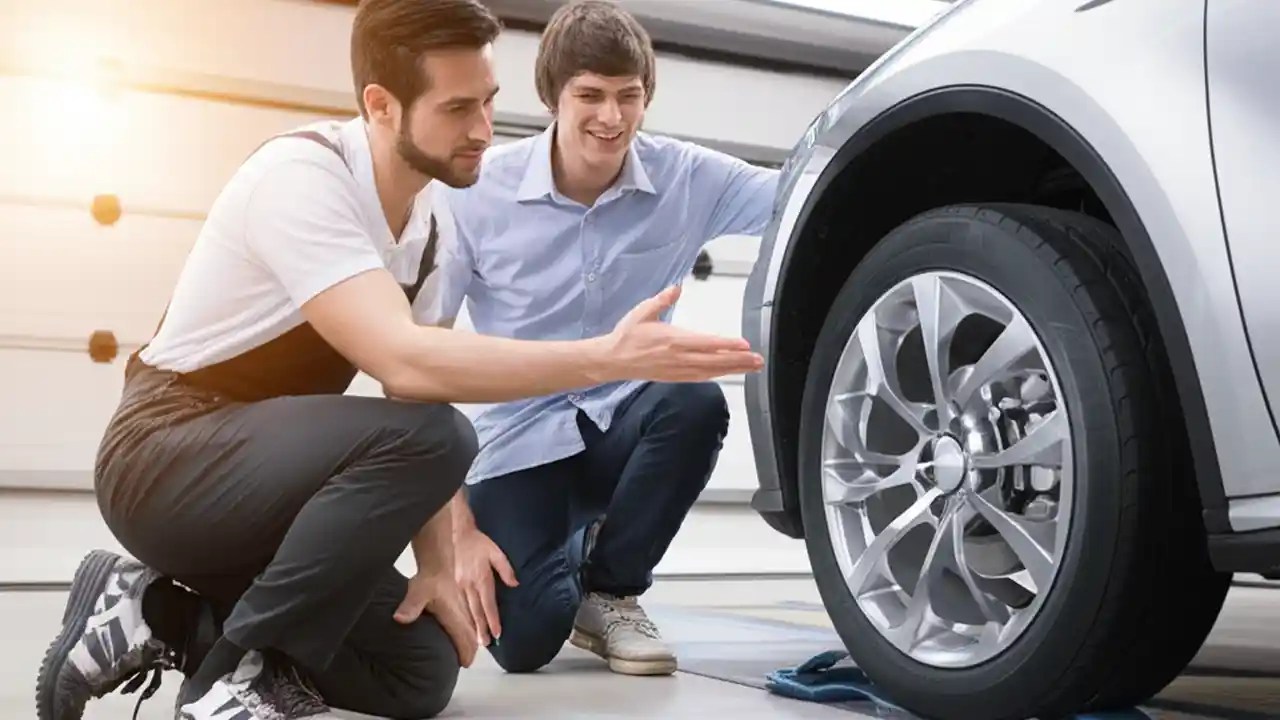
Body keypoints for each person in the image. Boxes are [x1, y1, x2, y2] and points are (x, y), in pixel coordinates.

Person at [33, 1, 763, 719]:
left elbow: (413, 398)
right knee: (439, 437)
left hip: (275, 498)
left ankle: (153, 613)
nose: (484, 131)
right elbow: (409, 369)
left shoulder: (432, 223)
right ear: (381, 106)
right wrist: (605, 358)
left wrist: (440, 562)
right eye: (457, 110)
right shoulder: (302, 178)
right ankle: (239, 681)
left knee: (419, 670)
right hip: (166, 459)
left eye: (488, 102)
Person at [436, 0, 781, 678]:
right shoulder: (474, 194)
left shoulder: (686, 177)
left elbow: (803, 196)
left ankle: (612, 590)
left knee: (695, 401)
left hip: (625, 426)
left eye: (629, 96)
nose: (612, 117)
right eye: (590, 95)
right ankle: (570, 555)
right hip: (517, 443)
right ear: (552, 98)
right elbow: (420, 362)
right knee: (524, 643)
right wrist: (458, 531)